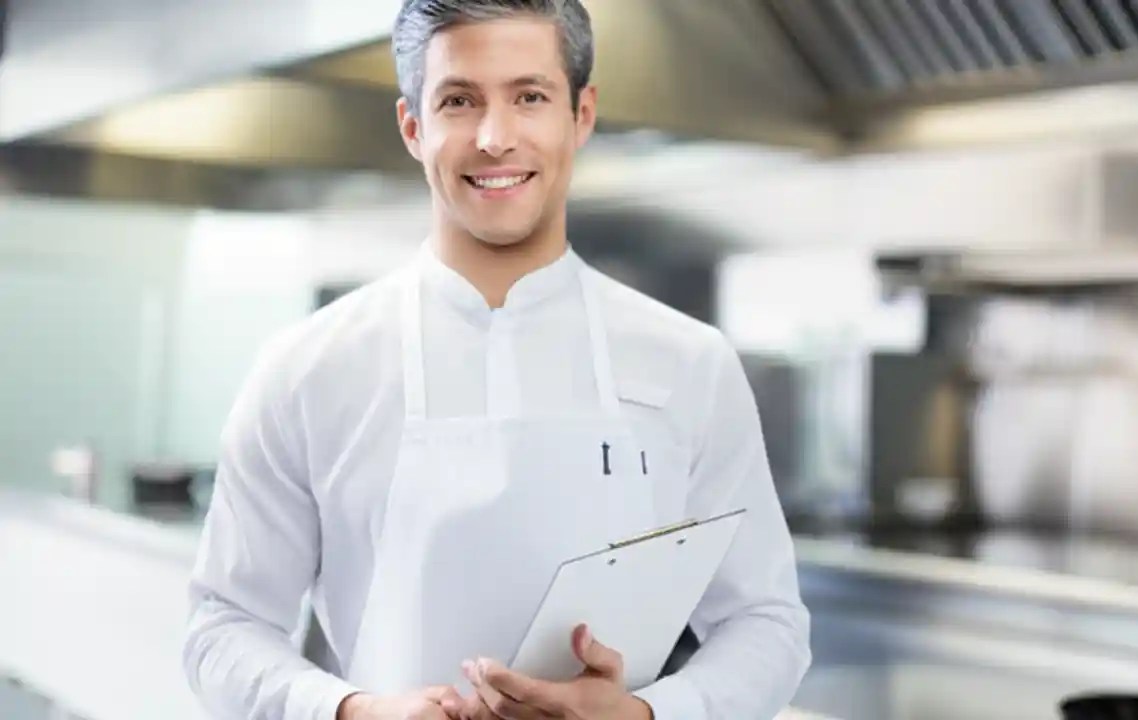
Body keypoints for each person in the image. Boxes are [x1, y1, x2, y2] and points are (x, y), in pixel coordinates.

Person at [181, 1, 812, 718]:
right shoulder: (306, 368)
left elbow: (768, 625)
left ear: (581, 116)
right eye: (459, 101)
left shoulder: (690, 365)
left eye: (530, 97)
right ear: (412, 127)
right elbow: (222, 628)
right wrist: (351, 712)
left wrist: (649, 714)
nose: (494, 137)